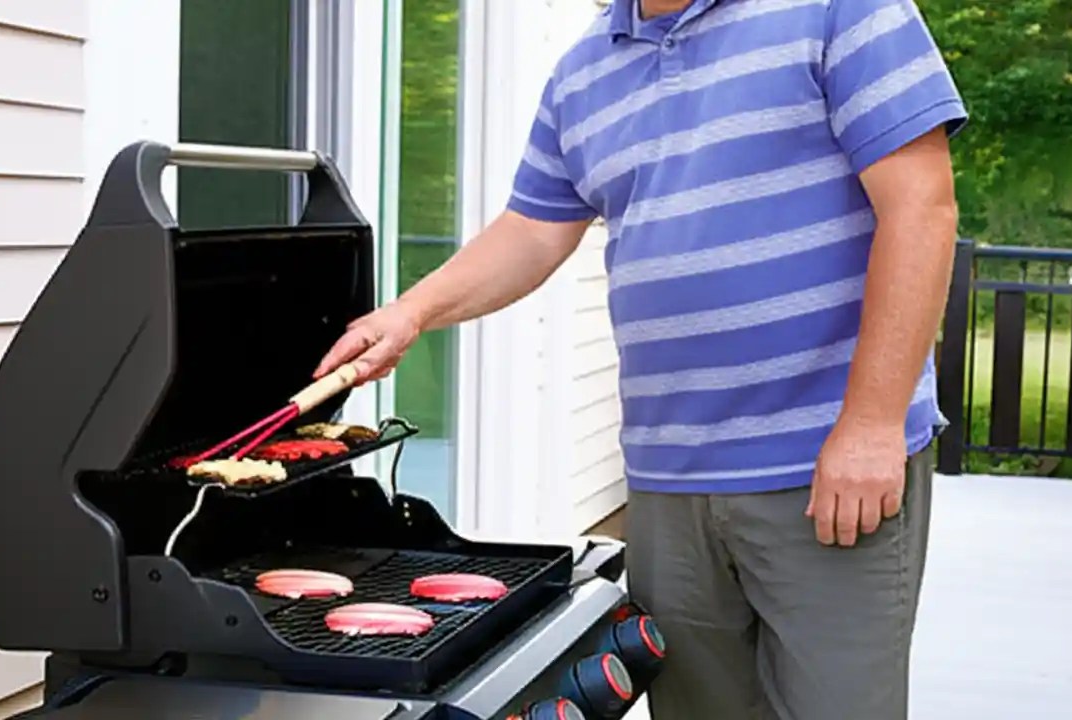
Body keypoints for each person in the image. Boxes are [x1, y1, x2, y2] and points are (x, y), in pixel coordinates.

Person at [315, 0, 966, 717]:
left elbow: (922, 207)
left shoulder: (842, 9)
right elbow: (533, 230)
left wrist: (872, 423)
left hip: (823, 469)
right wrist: (410, 314)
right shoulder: (583, 70)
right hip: (666, 480)